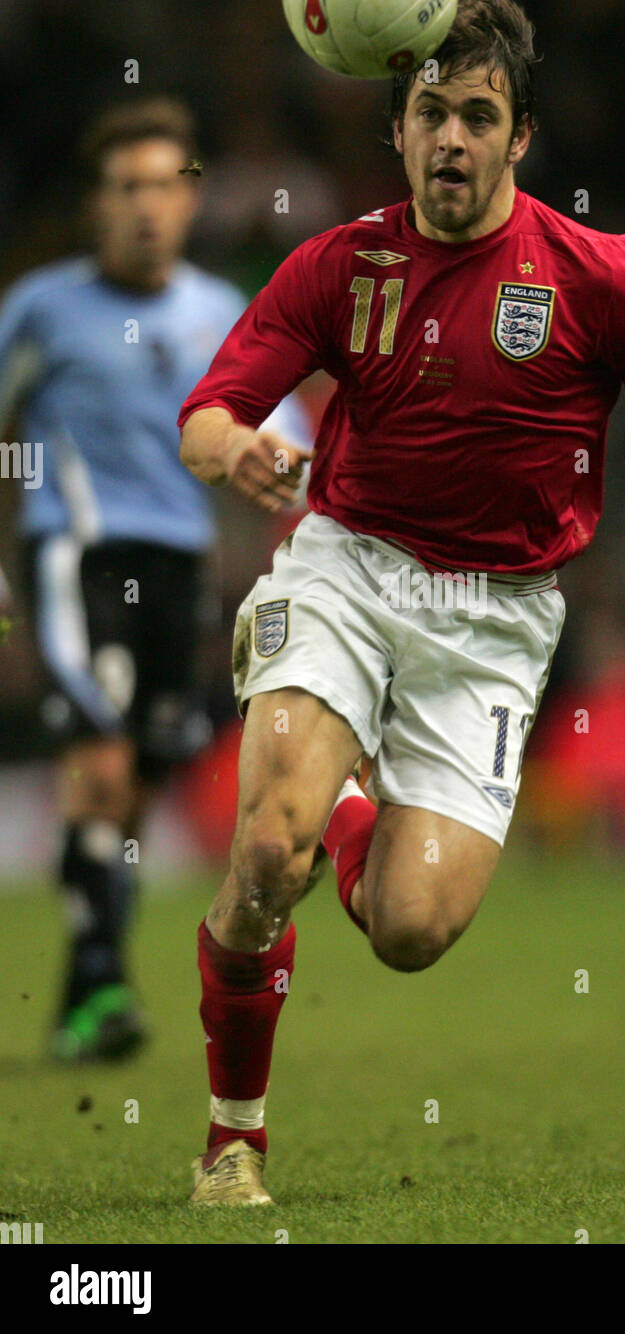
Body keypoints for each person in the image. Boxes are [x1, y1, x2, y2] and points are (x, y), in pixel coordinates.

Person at [178, 0, 625, 1206]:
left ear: (519, 137)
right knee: (260, 857)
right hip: (346, 564)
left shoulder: (598, 276)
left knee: (406, 929)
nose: (448, 137)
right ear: (395, 131)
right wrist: (234, 450)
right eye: (426, 114)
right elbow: (205, 414)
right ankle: (232, 1143)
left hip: (496, 619)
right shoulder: (339, 265)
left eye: (475, 115)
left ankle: (337, 813)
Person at [0, 96, 309, 1063]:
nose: (145, 207)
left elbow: (285, 444)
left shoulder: (222, 313)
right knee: (99, 763)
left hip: (183, 576)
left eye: (165, 187)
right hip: (74, 556)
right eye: (125, 186)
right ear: (95, 202)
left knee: (137, 789)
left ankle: (82, 990)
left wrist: (275, 464)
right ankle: (102, 990)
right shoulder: (40, 311)